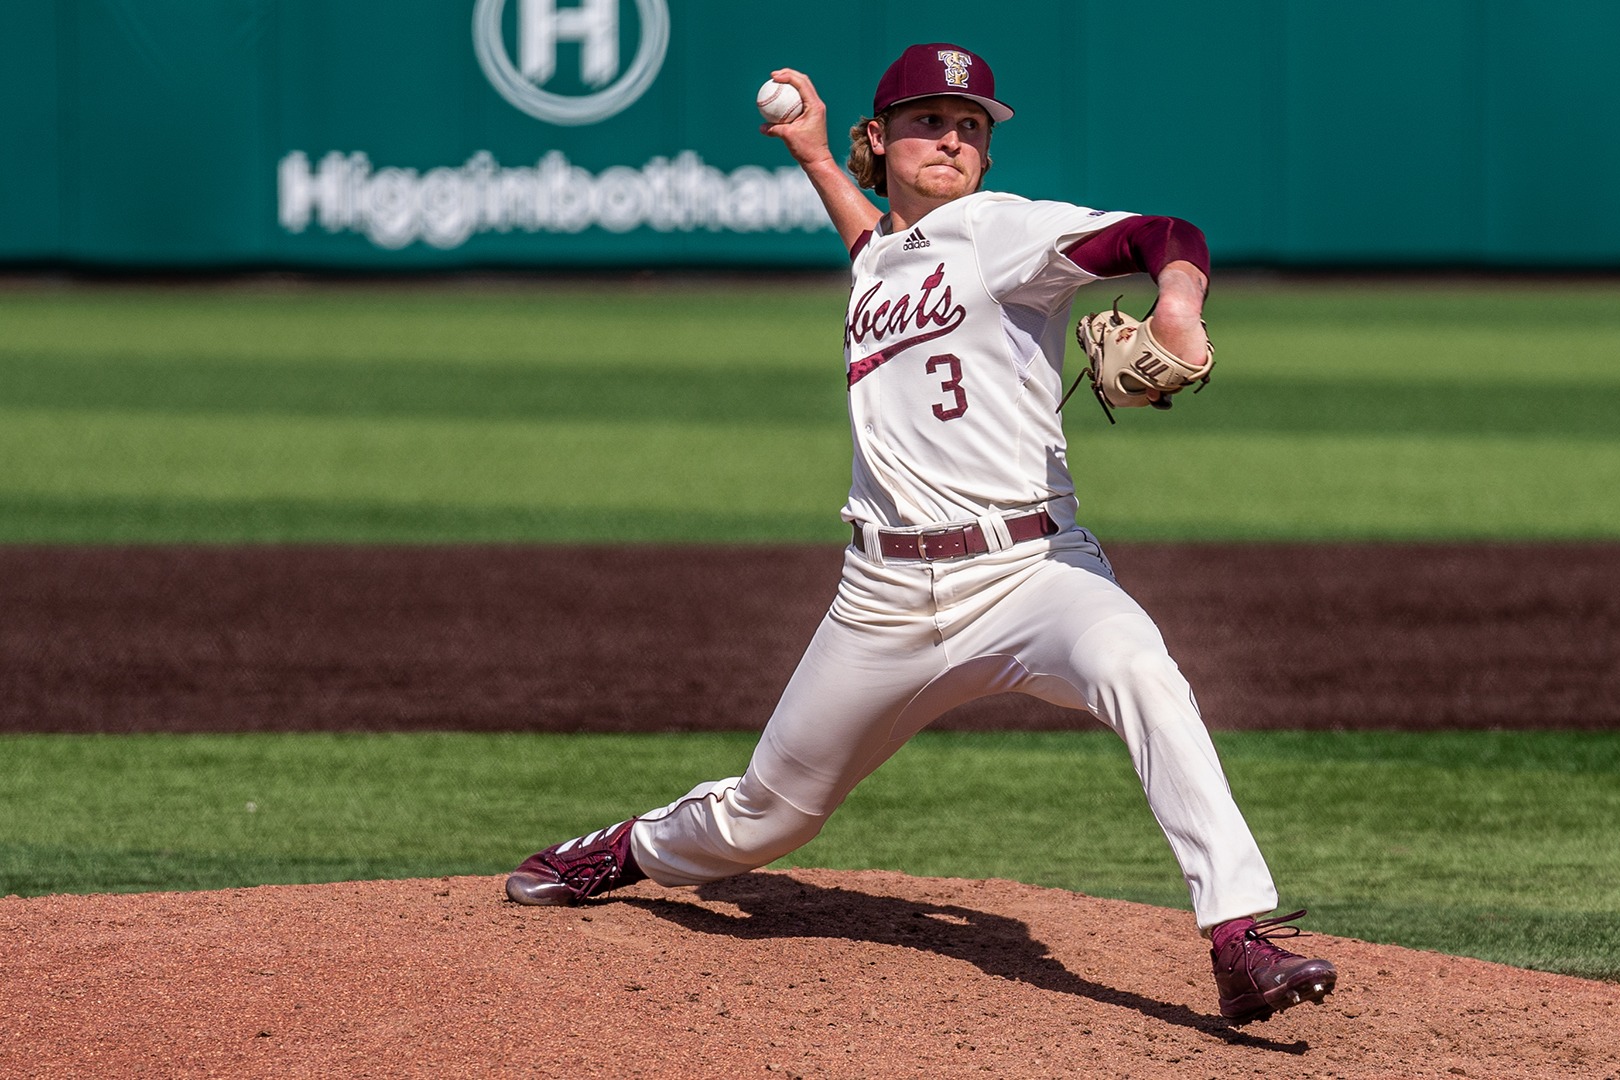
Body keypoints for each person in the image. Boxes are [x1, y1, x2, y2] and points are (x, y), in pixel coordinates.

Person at [503, 42, 1336, 1025]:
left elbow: (1164, 230)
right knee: (769, 816)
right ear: (880, 138)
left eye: (971, 127)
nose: (953, 138)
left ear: (987, 155)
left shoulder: (1005, 231)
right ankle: (631, 848)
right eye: (929, 121)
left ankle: (1238, 937)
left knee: (1138, 668)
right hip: (883, 600)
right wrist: (814, 157)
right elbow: (879, 252)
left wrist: (1180, 301)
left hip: (1032, 573)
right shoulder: (882, 261)